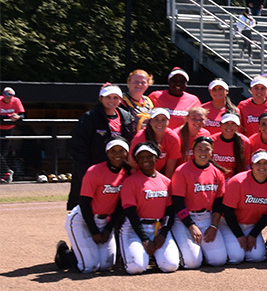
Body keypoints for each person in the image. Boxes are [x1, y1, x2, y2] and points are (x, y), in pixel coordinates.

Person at [56, 138, 129, 273]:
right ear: (107, 153)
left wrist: (108, 229)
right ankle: (64, 254)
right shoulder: (94, 171)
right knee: (89, 267)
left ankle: (82, 252)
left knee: (105, 266)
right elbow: (84, 204)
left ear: (127, 153)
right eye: (113, 151)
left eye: (121, 151)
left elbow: (120, 206)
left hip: (105, 221)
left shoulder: (127, 173)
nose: (117, 154)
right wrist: (94, 231)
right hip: (82, 219)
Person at [67, 84, 138, 210]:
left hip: (118, 171)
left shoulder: (127, 117)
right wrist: (86, 172)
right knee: (88, 206)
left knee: (116, 206)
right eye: (108, 97)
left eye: (115, 97)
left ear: (120, 99)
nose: (112, 101)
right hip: (95, 169)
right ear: (101, 98)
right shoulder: (90, 117)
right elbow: (78, 146)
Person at [118, 143, 179, 274]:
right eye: (141, 157)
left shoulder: (166, 181)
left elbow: (169, 212)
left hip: (158, 227)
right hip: (135, 228)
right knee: (136, 267)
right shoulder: (130, 181)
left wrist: (163, 234)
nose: (145, 160)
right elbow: (131, 213)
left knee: (171, 266)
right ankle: (125, 257)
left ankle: (153, 257)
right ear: (136, 160)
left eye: (149, 156)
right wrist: (145, 239)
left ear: (156, 158)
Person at [133, 107, 181, 178]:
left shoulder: (173, 138)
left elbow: (170, 168)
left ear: (168, 122)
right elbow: (132, 165)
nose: (160, 123)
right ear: (150, 121)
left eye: (163, 120)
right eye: (156, 119)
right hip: (139, 175)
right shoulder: (140, 137)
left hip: (159, 175)